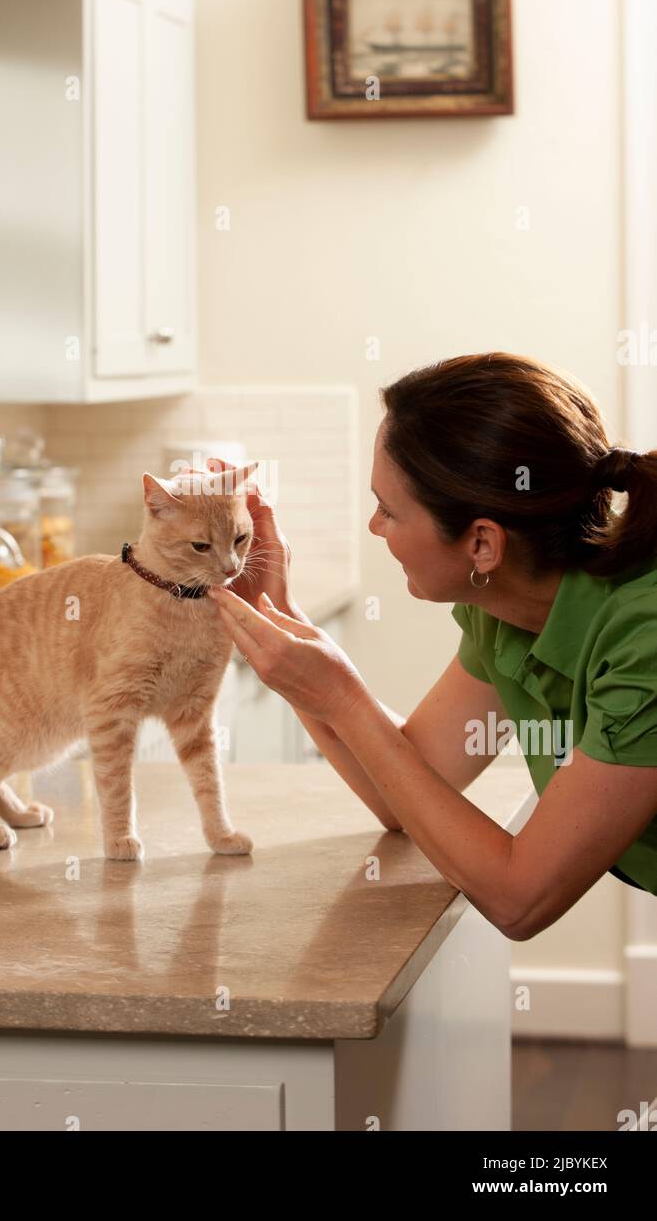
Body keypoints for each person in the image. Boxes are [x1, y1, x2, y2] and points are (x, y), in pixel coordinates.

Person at [207, 352, 657, 940]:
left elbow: (518, 898)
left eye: (389, 510)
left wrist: (343, 699)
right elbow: (401, 792)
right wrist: (281, 618)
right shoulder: (500, 611)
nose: (376, 526)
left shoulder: (642, 638)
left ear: (481, 545)